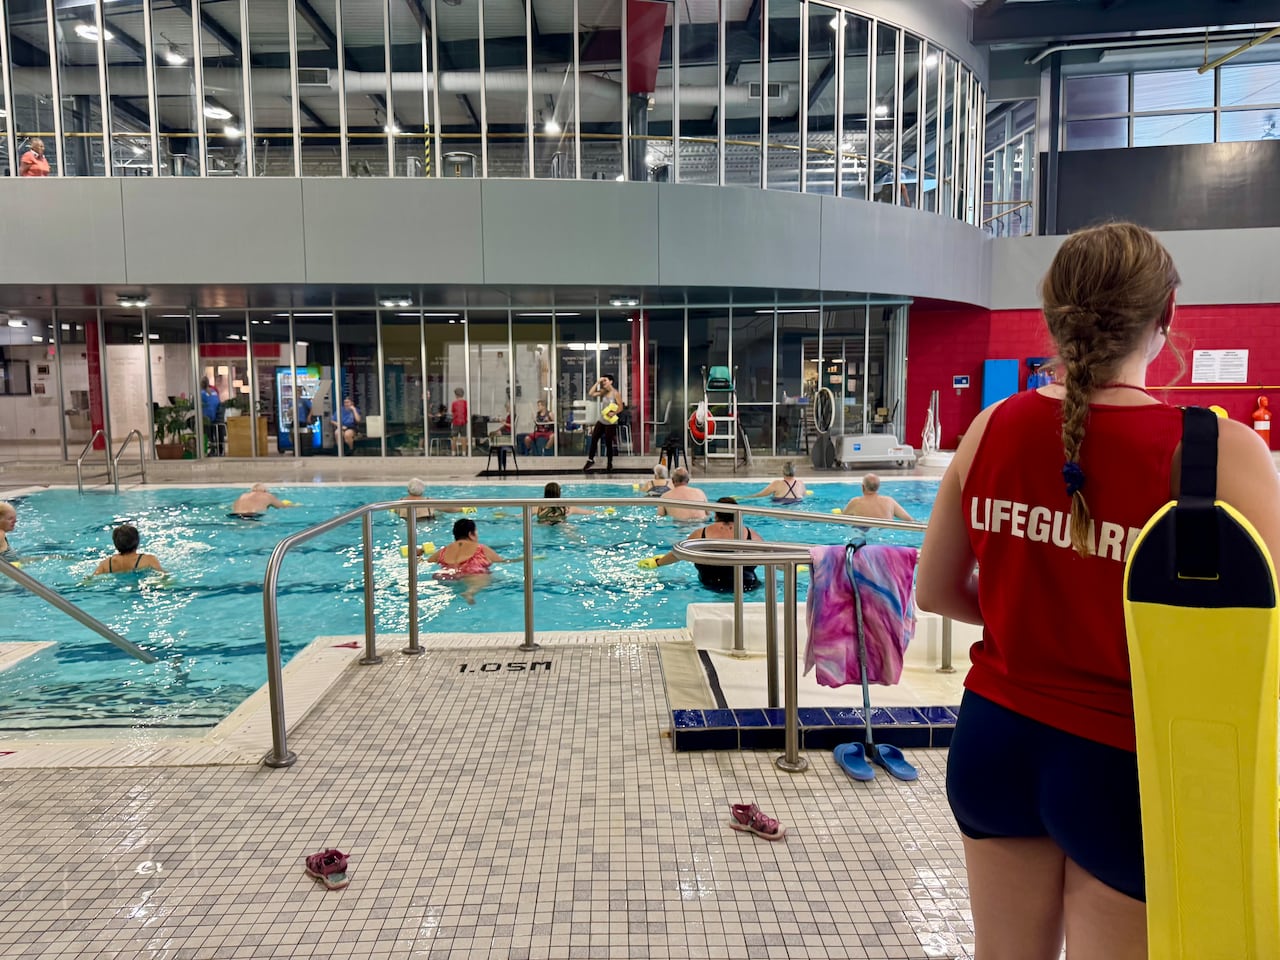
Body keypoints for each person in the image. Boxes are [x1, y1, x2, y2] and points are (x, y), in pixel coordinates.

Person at [916, 222, 1280, 960]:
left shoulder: (991, 428)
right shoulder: (1216, 452)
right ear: (1169, 313)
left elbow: (933, 589)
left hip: (995, 741)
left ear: (1051, 316)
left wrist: (1035, 620)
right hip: (1127, 762)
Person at [640, 498, 763, 592]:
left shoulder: (701, 533)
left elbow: (679, 554)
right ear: (738, 515)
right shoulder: (752, 535)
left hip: (712, 585)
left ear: (716, 515)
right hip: (747, 585)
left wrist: (657, 562)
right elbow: (772, 557)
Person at [427, 517, 518, 604]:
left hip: (446, 575)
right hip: (472, 573)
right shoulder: (480, 548)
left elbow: (426, 562)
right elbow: (504, 562)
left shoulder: (443, 551)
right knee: (486, 578)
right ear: (471, 534)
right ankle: (470, 592)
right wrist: (521, 558)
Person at [583, 374, 625, 471]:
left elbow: (620, 407)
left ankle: (609, 463)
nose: (604, 383)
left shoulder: (616, 393)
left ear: (611, 382)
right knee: (594, 438)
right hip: (602, 420)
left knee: (608, 442)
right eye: (603, 381)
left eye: (605, 381)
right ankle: (590, 460)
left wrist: (614, 412)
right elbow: (591, 393)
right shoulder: (604, 392)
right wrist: (597, 382)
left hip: (610, 421)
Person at [92, 524, 164, 576]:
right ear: (137, 541)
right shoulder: (148, 559)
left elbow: (91, 579)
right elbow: (164, 576)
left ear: (115, 544)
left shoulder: (106, 563)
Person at [841, 473, 915, 522]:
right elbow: (909, 520)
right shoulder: (889, 501)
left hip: (863, 535)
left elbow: (842, 520)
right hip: (886, 535)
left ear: (863, 487)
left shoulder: (855, 502)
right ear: (878, 487)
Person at [740, 461, 807, 504]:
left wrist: (744, 497)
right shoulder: (800, 483)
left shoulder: (776, 483)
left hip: (780, 505)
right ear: (794, 472)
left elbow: (760, 495)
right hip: (797, 504)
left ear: (783, 472)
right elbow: (804, 495)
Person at [230, 483, 296, 518]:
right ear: (265, 491)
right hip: (252, 516)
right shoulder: (267, 495)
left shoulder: (243, 495)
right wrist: (295, 505)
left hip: (234, 516)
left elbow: (233, 507)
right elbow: (282, 506)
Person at [450, 387, 469, 456]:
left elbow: (452, 412)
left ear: (456, 395)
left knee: (454, 437)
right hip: (464, 421)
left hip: (456, 422)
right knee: (463, 437)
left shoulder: (454, 403)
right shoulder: (466, 403)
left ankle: (453, 452)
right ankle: (464, 452)